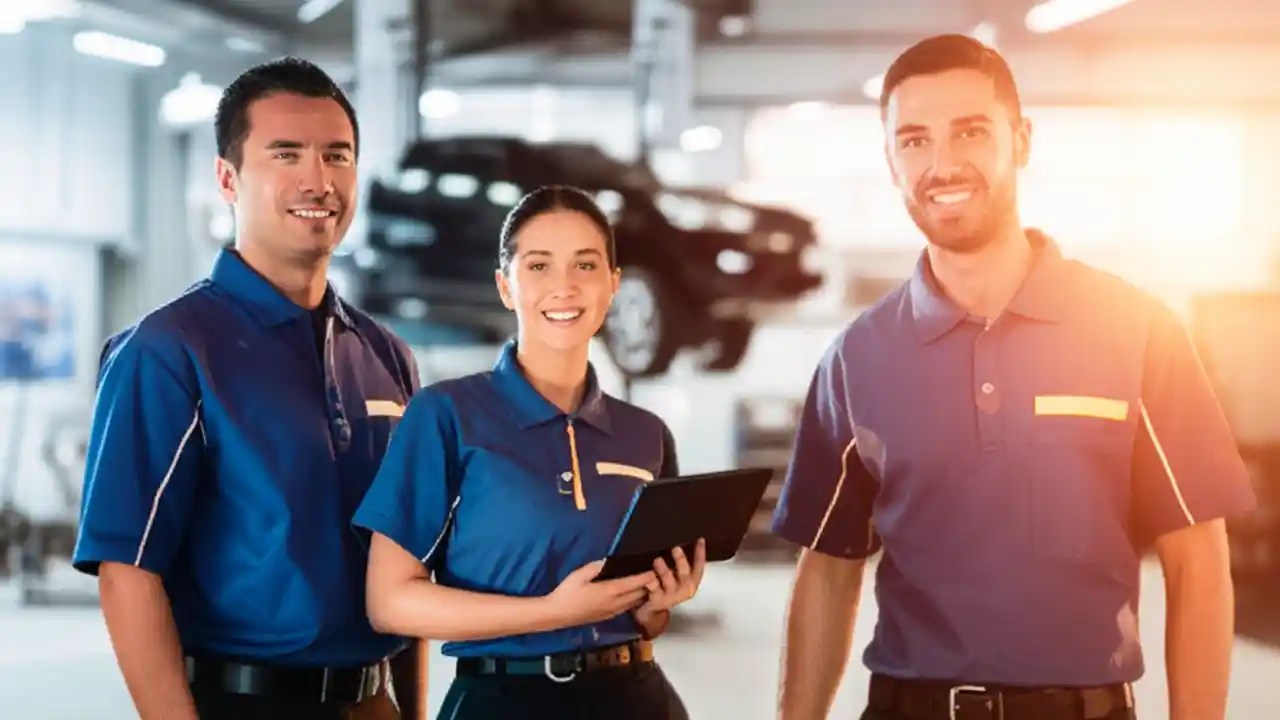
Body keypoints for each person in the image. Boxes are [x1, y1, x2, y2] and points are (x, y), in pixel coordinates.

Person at [772, 34, 1257, 720]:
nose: (942, 164)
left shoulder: (1138, 329)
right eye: (914, 141)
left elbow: (1197, 557)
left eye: (970, 132)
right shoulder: (856, 358)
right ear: (889, 162)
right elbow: (827, 566)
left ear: (1021, 140)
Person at [73, 57, 424, 720]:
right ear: (227, 178)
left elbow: (403, 558)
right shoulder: (170, 351)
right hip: (241, 701)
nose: (317, 180)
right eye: (286, 154)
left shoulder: (386, 357)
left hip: (373, 701)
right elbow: (128, 573)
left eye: (337, 156)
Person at [352, 185, 701, 719]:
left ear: (613, 286)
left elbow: (647, 616)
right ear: (505, 287)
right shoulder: (446, 415)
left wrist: (658, 606)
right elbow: (390, 601)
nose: (564, 286)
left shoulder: (646, 435)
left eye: (585, 266)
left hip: (637, 697)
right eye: (538, 266)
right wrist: (550, 612)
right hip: (500, 702)